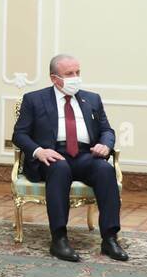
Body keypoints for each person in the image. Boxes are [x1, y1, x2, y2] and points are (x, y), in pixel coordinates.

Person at [12, 54, 128, 262]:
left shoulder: (92, 99)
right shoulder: (34, 99)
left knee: (105, 170)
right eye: (69, 74)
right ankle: (59, 240)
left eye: (78, 72)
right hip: (52, 155)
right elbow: (19, 135)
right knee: (60, 168)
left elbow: (107, 130)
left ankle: (110, 239)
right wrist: (39, 151)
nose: (76, 77)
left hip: (85, 154)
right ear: (54, 78)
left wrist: (105, 145)